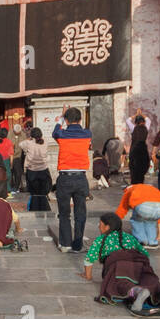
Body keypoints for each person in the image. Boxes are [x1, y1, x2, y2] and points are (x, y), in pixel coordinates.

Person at [81, 213, 160, 316]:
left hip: (118, 264)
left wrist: (88, 276)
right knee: (150, 281)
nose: (99, 227)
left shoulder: (102, 239)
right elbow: (145, 253)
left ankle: (137, 291)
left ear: (107, 227)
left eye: (100, 225)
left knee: (121, 283)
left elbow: (89, 259)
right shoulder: (129, 237)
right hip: (139, 262)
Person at [51, 106, 92, 252]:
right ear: (80, 119)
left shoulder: (62, 134)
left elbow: (54, 132)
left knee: (64, 213)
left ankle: (66, 244)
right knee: (80, 213)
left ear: (66, 120)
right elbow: (84, 129)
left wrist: (61, 117)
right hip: (81, 178)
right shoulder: (87, 134)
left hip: (65, 178)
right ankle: (78, 244)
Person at [115, 181, 160, 248]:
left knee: (137, 220)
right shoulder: (151, 189)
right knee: (151, 221)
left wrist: (114, 224)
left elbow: (122, 209)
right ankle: (153, 242)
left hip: (145, 207)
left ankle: (142, 241)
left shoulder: (129, 190)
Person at [21, 127, 51, 211]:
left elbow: (20, 145)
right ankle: (44, 207)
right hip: (43, 170)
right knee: (42, 192)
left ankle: (34, 207)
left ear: (32, 135)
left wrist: (29, 139)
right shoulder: (45, 142)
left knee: (34, 192)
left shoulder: (28, 143)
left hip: (32, 171)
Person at [127, 118, 151, 185]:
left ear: (136, 123)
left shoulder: (133, 128)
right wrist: (141, 114)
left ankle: (134, 186)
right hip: (143, 149)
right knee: (142, 170)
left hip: (134, 148)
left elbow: (127, 121)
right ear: (143, 122)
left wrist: (135, 115)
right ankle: (140, 185)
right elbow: (148, 120)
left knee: (134, 171)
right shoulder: (146, 127)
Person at [11, 124, 24, 194]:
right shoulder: (10, 134)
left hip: (18, 156)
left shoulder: (23, 134)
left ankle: (16, 187)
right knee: (10, 172)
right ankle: (12, 186)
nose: (17, 134)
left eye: (18, 133)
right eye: (16, 133)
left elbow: (24, 144)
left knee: (18, 173)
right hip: (10, 156)